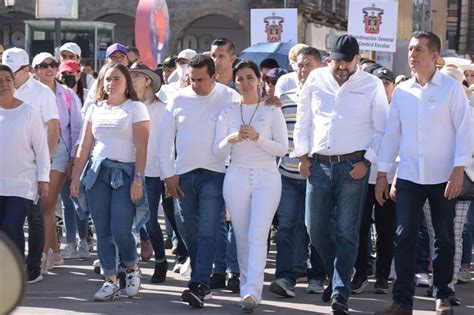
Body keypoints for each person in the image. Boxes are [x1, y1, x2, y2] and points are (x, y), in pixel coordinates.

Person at [375, 31, 472, 315]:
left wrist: (458, 171)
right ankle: (402, 301)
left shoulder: (451, 89)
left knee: (443, 237)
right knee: (403, 237)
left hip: (444, 176)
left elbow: (465, 132)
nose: (412, 55)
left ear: (435, 56)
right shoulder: (403, 91)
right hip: (408, 176)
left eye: (419, 50)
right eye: (411, 50)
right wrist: (383, 174)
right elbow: (391, 135)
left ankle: (442, 294)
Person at [292, 34, 389, 314]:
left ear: (357, 59)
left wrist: (367, 162)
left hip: (353, 167)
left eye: (348, 61)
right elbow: (304, 119)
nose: (342, 66)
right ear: (329, 58)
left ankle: (339, 291)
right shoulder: (316, 78)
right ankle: (339, 275)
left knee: (347, 233)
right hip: (319, 164)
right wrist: (302, 155)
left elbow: (380, 128)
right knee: (315, 228)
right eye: (337, 61)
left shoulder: (371, 84)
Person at [157, 54, 240, 308]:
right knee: (189, 231)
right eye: (191, 79)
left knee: (207, 229)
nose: (195, 84)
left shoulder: (229, 97)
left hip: (216, 174)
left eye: (201, 80)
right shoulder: (178, 98)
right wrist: (168, 174)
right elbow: (164, 141)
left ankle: (199, 284)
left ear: (214, 76)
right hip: (183, 175)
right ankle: (200, 277)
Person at [70, 63, 150, 301]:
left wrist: (138, 179)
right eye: (106, 79)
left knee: (120, 229)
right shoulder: (95, 108)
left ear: (126, 83)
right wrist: (76, 177)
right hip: (97, 173)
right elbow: (85, 145)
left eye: (116, 79)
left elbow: (142, 146)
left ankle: (132, 267)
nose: (110, 83)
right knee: (103, 230)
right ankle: (110, 280)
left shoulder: (136, 108)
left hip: (125, 174)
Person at [213, 60, 288, 312]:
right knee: (242, 236)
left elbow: (282, 149)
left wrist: (258, 137)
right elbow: (217, 150)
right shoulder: (229, 110)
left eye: (249, 78)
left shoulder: (271, 109)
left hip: (267, 175)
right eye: (240, 79)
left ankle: (253, 290)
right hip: (236, 175)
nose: (245, 83)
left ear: (259, 80)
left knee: (258, 234)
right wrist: (230, 139)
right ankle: (247, 289)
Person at [269, 47, 327, 298]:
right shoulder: (284, 98)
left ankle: (317, 276)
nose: (303, 70)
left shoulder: (328, 99)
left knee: (317, 228)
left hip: (318, 175)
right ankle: (285, 277)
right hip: (287, 175)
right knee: (286, 227)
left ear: (321, 67)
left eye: (309, 65)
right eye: (300, 65)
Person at [2, 47, 59, 284]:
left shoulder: (36, 101)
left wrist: (42, 175)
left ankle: (29, 266)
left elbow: (48, 137)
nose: (6, 82)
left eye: (9, 77)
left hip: (25, 178)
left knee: (16, 224)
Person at [32, 52, 83, 272]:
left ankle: (44, 255)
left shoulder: (67, 95)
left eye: (52, 64)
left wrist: (73, 158)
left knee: (47, 203)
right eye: (42, 65)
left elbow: (78, 129)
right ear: (34, 70)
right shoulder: (26, 92)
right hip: (31, 149)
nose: (49, 68)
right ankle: (55, 250)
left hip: (60, 149)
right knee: (39, 205)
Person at [351, 66, 397, 295]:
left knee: (386, 230)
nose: (382, 86)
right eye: (378, 82)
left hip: (387, 179)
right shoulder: (364, 110)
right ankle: (360, 273)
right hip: (362, 178)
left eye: (386, 82)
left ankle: (382, 275)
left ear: (393, 87)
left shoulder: (398, 111)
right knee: (359, 228)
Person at [0, 64, 50, 260]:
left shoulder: (29, 112)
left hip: (22, 184)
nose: (4, 84)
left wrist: (43, 179)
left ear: (14, 83)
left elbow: (41, 148)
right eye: (0, 80)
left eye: (8, 80)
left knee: (11, 226)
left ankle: (15, 273)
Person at [129, 62, 171, 283]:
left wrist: (168, 174)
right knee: (127, 219)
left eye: (138, 75)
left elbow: (168, 144)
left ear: (148, 81)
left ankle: (161, 261)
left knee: (150, 220)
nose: (133, 78)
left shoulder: (162, 109)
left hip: (153, 171)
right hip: (128, 168)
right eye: (131, 75)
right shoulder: (126, 105)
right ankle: (126, 264)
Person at [209, 36, 241, 293]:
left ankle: (234, 270)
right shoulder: (205, 86)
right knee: (217, 219)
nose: (216, 60)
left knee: (235, 219)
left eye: (220, 56)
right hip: (211, 161)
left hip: (238, 161)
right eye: (213, 56)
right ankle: (219, 269)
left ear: (232, 58)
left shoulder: (241, 87)